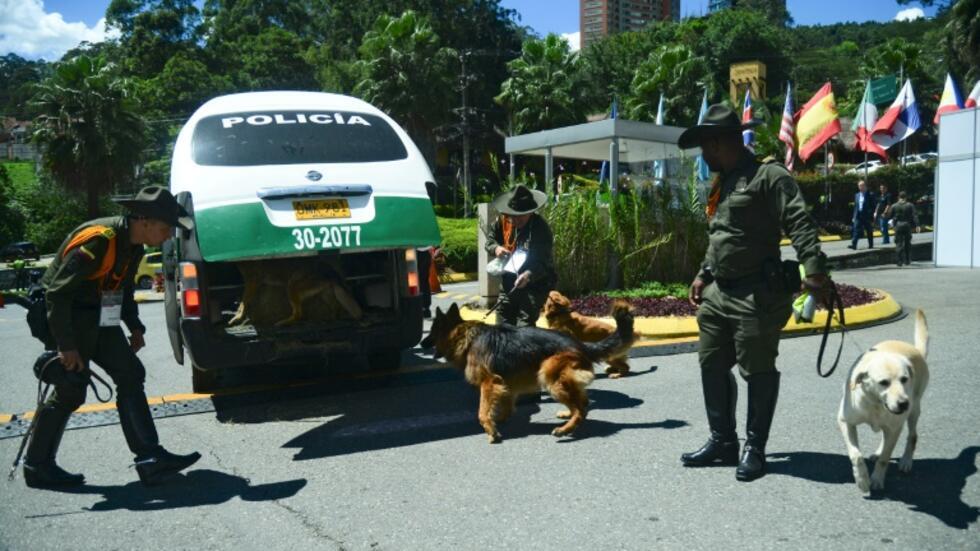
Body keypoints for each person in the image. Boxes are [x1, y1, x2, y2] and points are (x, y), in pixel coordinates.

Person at [679, 104, 830, 482]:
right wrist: (703, 274)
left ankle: (755, 447)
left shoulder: (768, 176)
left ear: (718, 143)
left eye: (704, 146)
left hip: (754, 295)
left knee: (757, 371)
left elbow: (800, 222)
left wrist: (814, 270)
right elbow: (722, 236)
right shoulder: (724, 180)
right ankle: (723, 440)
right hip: (719, 293)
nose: (702, 154)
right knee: (711, 364)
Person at [22, 186, 201, 489]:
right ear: (144, 220)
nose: (170, 234)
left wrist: (134, 326)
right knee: (71, 391)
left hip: (97, 319)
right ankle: (37, 467)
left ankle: (150, 459)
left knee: (131, 373)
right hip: (66, 318)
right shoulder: (99, 240)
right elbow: (57, 294)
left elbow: (122, 289)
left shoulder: (134, 246)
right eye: (166, 226)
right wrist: (65, 346)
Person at [484, 185, 557, 327]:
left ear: (530, 212)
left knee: (524, 328)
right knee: (502, 326)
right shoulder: (503, 222)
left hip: (534, 283)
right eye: (513, 216)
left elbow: (542, 262)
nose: (516, 220)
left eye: (521, 216)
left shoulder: (540, 229)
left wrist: (528, 275)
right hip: (509, 280)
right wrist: (496, 248)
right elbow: (490, 241)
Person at [891, 191, 920, 266]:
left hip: (898, 226)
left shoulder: (894, 206)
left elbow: (890, 216)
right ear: (906, 197)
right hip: (907, 225)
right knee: (907, 243)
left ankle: (899, 261)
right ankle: (907, 260)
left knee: (898, 243)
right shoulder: (910, 205)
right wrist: (917, 225)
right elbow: (915, 215)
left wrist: (893, 225)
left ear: (898, 197)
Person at [849, 180, 876, 250]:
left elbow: (873, 206)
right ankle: (854, 244)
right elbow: (856, 206)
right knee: (856, 229)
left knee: (869, 230)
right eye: (859, 186)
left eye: (862, 185)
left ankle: (871, 244)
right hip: (858, 215)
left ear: (865, 186)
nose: (861, 187)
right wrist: (854, 216)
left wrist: (871, 214)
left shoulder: (870, 194)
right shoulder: (857, 195)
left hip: (867, 215)